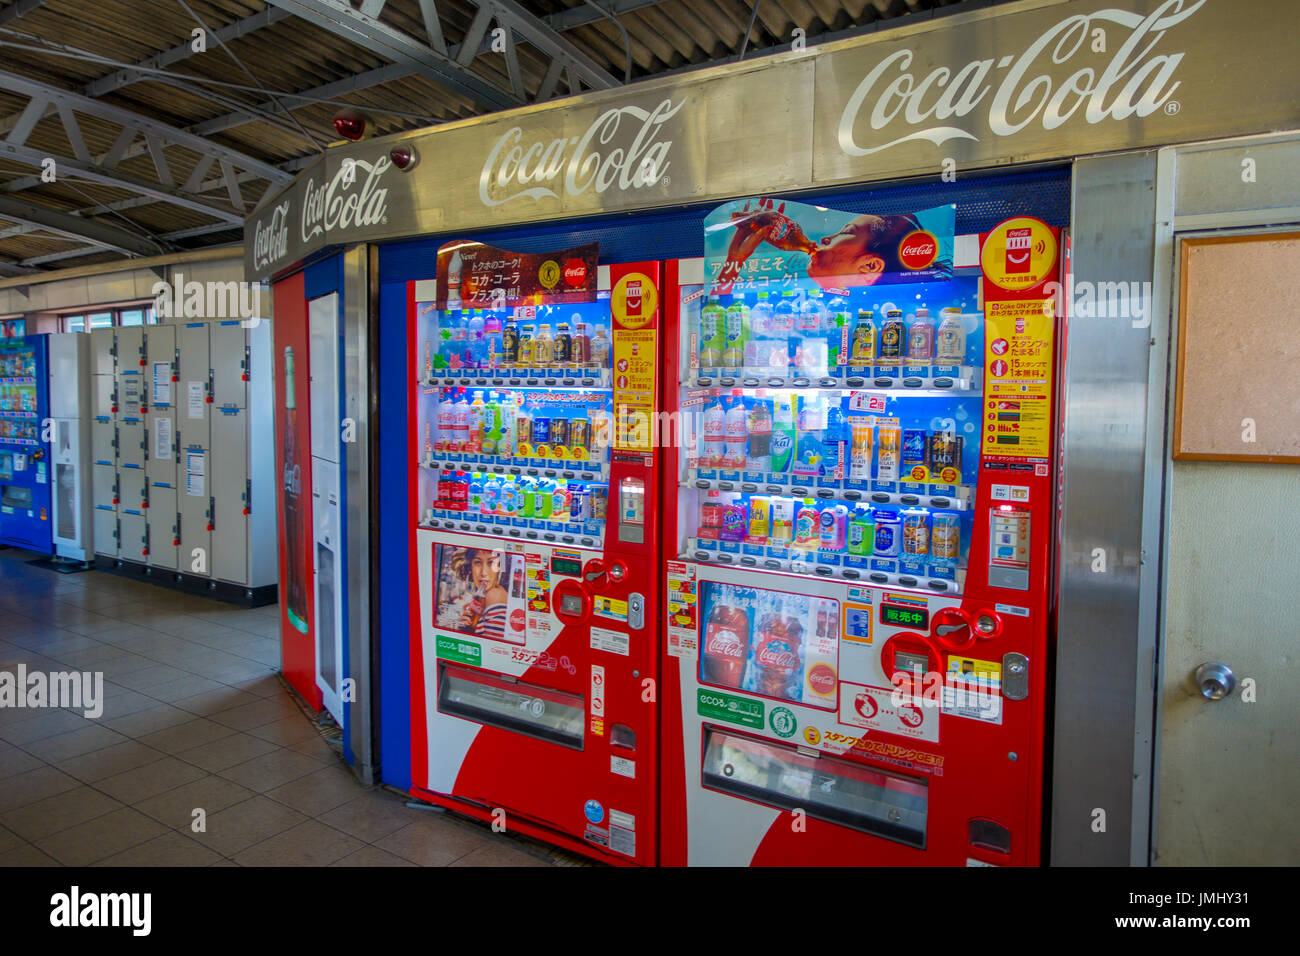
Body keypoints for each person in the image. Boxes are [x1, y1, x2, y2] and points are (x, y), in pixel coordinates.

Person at [449, 548, 509, 640]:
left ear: (499, 567)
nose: (483, 573)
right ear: (470, 567)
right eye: (477, 562)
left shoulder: (493, 595)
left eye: (491, 563)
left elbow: (492, 648)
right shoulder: (489, 595)